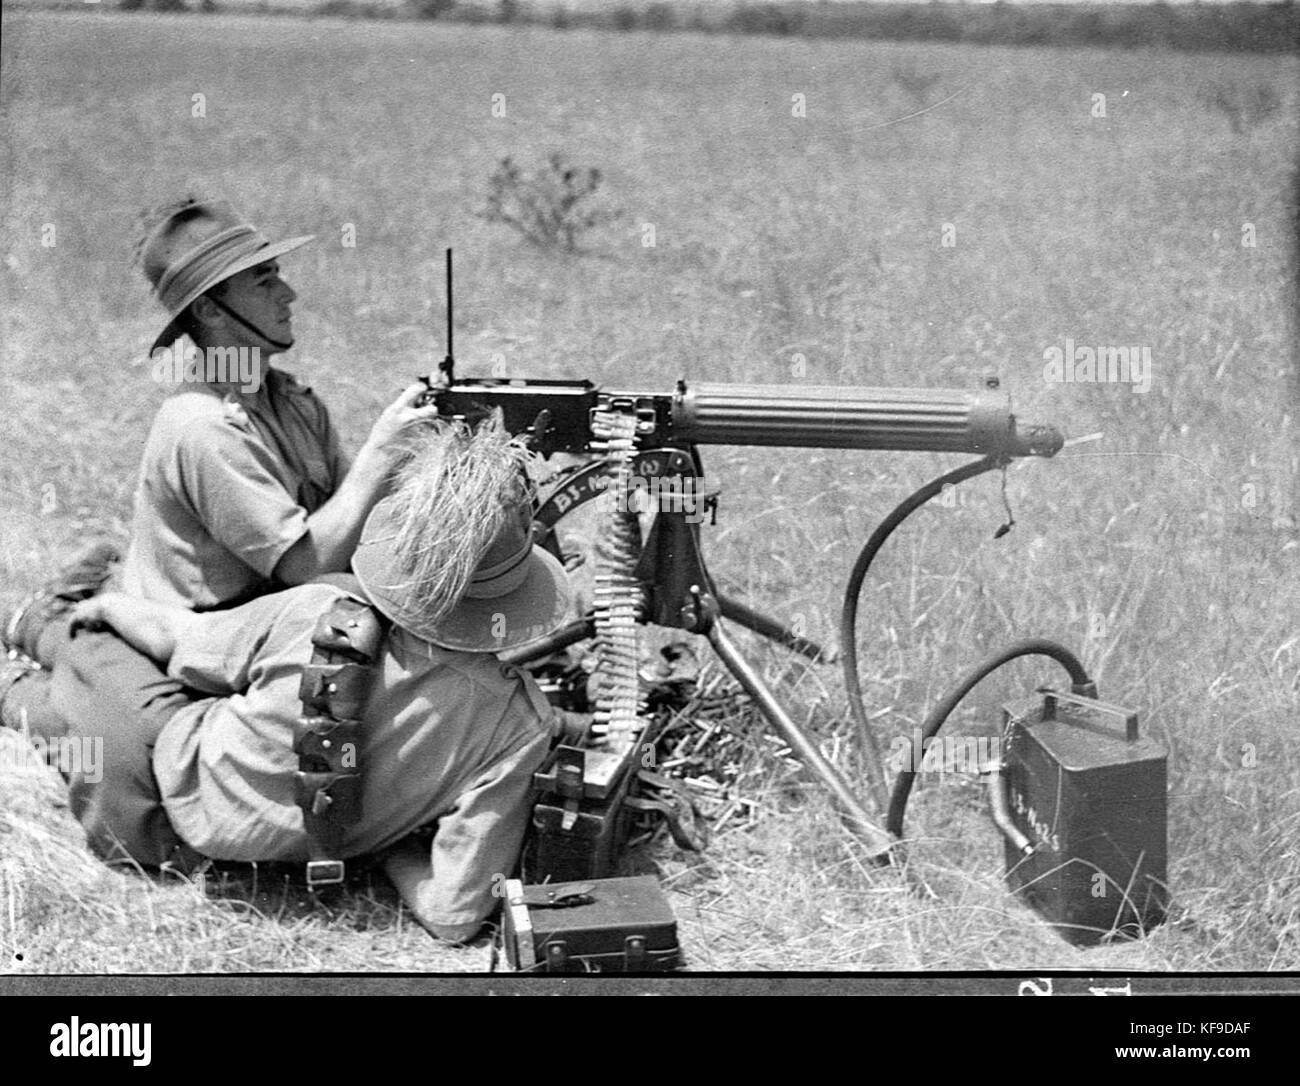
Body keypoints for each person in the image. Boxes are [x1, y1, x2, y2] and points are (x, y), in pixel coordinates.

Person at [5, 416, 573, 943]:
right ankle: (39, 634)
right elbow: (455, 916)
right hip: (224, 848)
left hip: (177, 772)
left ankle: (39, 625)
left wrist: (116, 609)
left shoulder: (319, 609)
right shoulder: (519, 726)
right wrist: (389, 847)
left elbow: (182, 644)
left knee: (92, 650)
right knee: (69, 698)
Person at [2, 196, 437, 731]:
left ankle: (58, 606)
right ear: (210, 310)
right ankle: (31, 651)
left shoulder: (293, 402)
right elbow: (304, 563)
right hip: (177, 639)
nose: (289, 293)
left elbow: (356, 528)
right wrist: (382, 452)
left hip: (260, 624)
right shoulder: (201, 424)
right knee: (141, 757)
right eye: (263, 281)